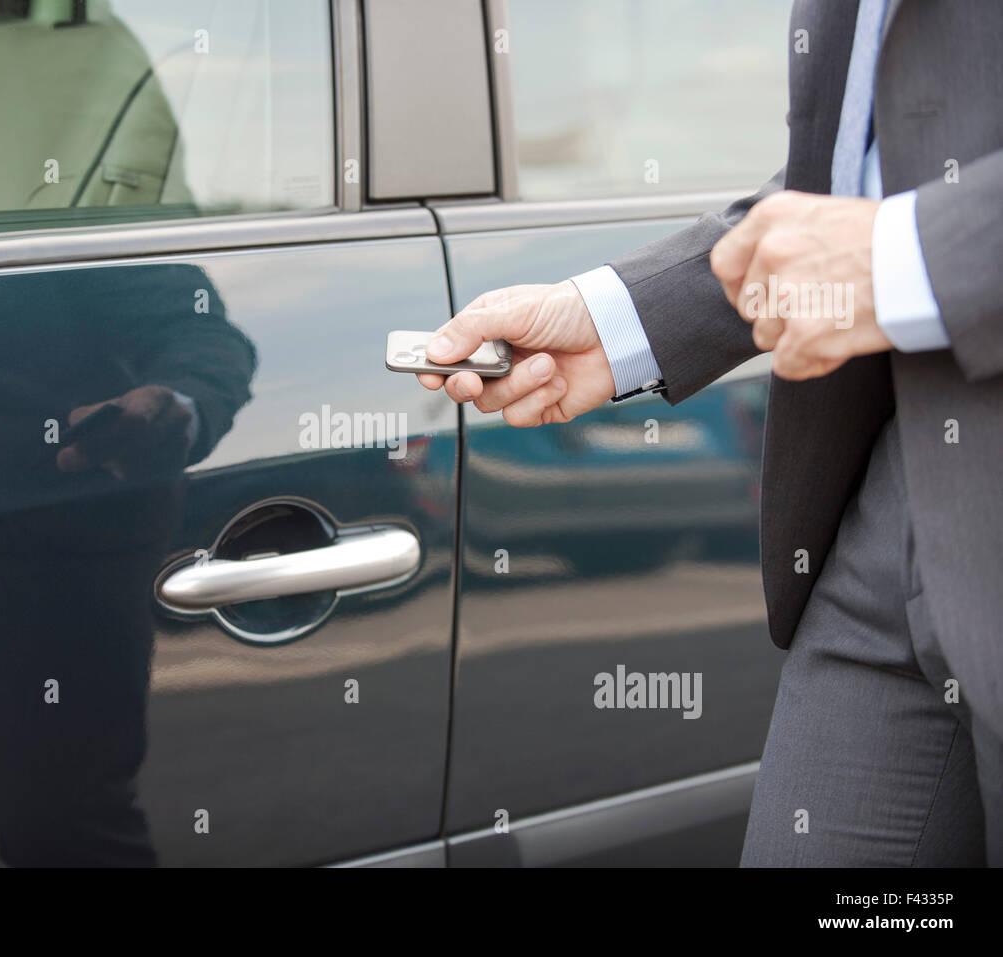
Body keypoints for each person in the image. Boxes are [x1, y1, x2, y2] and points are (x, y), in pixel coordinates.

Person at [417, 0, 1003, 866]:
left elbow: (881, 233)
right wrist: (612, 320)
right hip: (885, 515)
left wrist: (907, 260)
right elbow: (851, 181)